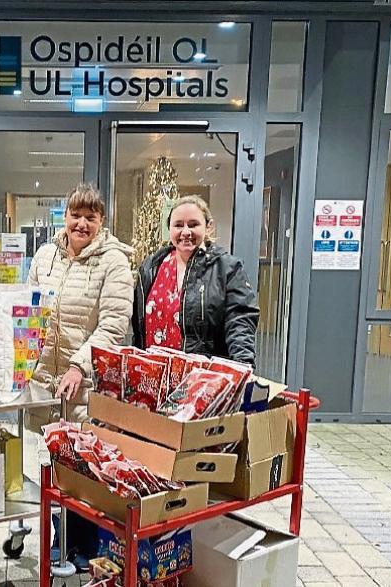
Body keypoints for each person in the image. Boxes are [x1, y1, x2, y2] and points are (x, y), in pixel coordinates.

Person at [26, 183, 134, 568]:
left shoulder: (115, 263)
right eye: (76, 215)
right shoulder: (44, 257)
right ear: (65, 217)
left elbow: (113, 325)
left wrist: (78, 365)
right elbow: (29, 314)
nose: (81, 223)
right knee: (47, 464)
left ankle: (85, 545)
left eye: (91, 216)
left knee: (82, 467)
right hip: (42, 383)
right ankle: (60, 536)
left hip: (85, 385)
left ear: (101, 221)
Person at [132, 195, 259, 364]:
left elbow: (240, 322)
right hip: (152, 377)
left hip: (200, 380)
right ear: (169, 229)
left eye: (193, 224)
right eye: (178, 225)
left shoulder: (227, 268)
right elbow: (139, 329)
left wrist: (243, 366)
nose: (185, 232)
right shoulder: (151, 267)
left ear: (208, 227)